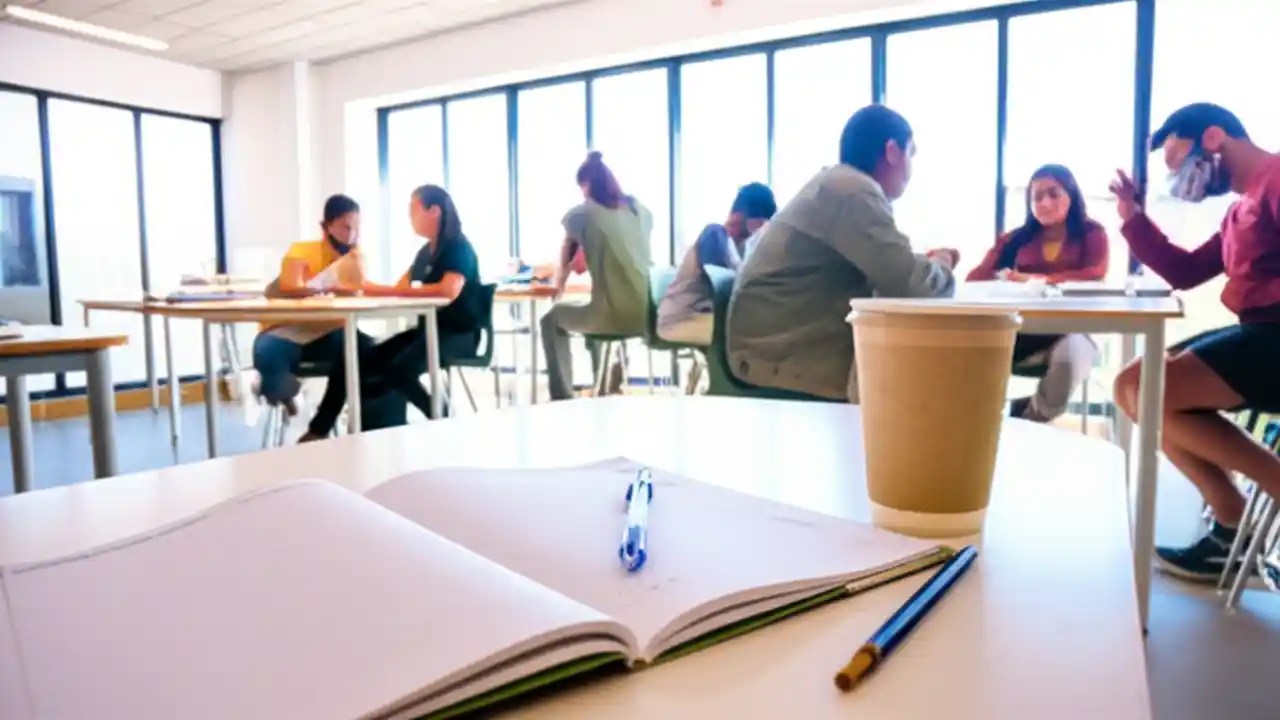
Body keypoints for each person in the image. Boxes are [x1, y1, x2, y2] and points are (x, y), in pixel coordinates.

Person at [1109, 102, 1280, 581]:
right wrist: (1133, 218)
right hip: (1258, 333)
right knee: (1130, 388)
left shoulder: (1277, 177)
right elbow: (1184, 271)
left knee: (1149, 391)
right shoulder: (1236, 213)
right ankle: (1231, 523)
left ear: (1212, 138)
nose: (1185, 180)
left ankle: (1263, 493)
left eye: (1182, 163)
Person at [727, 104, 957, 401]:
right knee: (922, 370)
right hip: (776, 352)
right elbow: (909, 284)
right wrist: (943, 263)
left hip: (777, 338)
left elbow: (894, 269)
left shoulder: (839, 186)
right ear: (892, 151)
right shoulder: (850, 191)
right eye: (911, 153)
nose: (911, 168)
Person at [299, 185, 484, 440]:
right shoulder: (426, 251)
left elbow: (448, 290)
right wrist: (361, 287)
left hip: (458, 335)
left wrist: (377, 289)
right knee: (355, 356)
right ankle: (320, 429)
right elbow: (400, 288)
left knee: (400, 368)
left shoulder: (457, 246)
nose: (410, 217)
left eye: (413, 210)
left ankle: (442, 418)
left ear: (434, 212)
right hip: (427, 331)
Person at [967, 164, 1109, 422]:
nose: (1044, 203)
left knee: (1069, 357)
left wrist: (1037, 280)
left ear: (1071, 194)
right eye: (1037, 197)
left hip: (1072, 332)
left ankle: (1028, 417)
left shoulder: (1092, 233)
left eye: (1053, 194)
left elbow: (1095, 274)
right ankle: (977, 423)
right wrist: (1002, 277)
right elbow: (974, 279)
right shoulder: (1015, 240)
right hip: (1021, 335)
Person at [541, 151, 652, 400]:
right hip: (649, 314)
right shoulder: (638, 210)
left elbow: (569, 253)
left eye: (582, 188)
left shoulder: (584, 213)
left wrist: (558, 284)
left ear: (586, 185)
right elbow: (588, 260)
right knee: (596, 306)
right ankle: (607, 386)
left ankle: (563, 397)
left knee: (551, 319)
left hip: (612, 315)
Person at [252, 194, 373, 418]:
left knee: (367, 349)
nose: (352, 235)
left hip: (330, 330)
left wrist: (353, 266)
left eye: (356, 228)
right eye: (345, 228)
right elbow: (290, 284)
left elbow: (358, 290)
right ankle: (283, 391)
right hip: (287, 328)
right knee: (265, 352)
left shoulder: (356, 257)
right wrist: (327, 290)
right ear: (325, 226)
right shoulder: (301, 250)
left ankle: (335, 418)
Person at [657, 182, 777, 345]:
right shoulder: (715, 235)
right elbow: (720, 290)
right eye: (757, 226)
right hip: (683, 318)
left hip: (703, 317)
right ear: (737, 217)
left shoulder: (740, 251)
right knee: (757, 334)